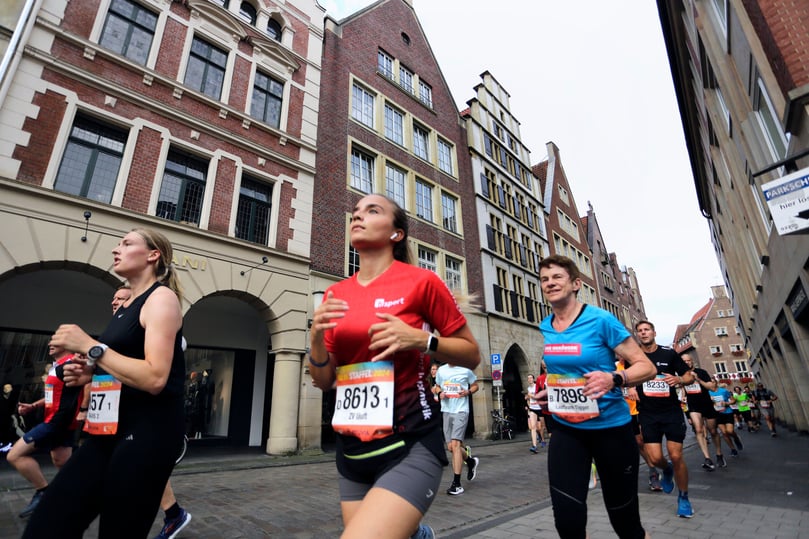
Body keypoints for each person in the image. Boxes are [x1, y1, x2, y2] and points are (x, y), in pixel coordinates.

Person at [308, 194, 480, 539]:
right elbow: (325, 380)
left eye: (372, 211)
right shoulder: (335, 294)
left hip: (410, 442)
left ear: (396, 233)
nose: (358, 217)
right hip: (352, 448)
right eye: (355, 212)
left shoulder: (421, 282)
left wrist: (422, 341)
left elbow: (471, 353)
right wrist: (314, 339)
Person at [23, 227, 187, 538]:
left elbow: (154, 377)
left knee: (119, 531)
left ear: (153, 255)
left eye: (126, 243)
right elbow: (123, 365)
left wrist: (90, 346)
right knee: (48, 522)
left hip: (148, 434)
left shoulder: (161, 299)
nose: (116, 249)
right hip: (106, 432)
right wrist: (90, 374)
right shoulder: (124, 306)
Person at [537, 255, 656, 538]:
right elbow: (567, 375)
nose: (550, 283)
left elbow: (646, 367)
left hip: (611, 430)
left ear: (576, 283)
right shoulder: (546, 326)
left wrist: (614, 378)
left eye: (557, 277)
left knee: (625, 523)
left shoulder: (600, 320)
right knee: (567, 523)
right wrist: (551, 394)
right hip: (567, 429)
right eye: (544, 279)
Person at [8, 344, 82, 518]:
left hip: (57, 422)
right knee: (63, 465)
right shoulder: (57, 366)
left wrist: (84, 409)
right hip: (59, 423)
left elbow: (86, 384)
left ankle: (43, 492)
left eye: (55, 342)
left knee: (14, 455)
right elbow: (53, 394)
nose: (49, 344)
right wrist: (32, 406)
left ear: (67, 345)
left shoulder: (71, 363)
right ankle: (78, 499)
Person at [635, 320, 696, 518]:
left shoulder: (668, 353)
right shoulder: (634, 356)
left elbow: (689, 376)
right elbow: (626, 376)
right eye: (640, 331)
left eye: (647, 330)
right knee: (654, 458)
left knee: (677, 455)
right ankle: (666, 469)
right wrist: (627, 387)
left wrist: (679, 379)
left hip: (670, 411)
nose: (644, 333)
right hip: (648, 413)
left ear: (654, 332)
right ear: (637, 335)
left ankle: (684, 498)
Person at [615, 357, 660, 491]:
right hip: (621, 411)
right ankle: (628, 475)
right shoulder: (614, 366)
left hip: (638, 410)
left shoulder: (637, 364)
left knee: (640, 441)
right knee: (627, 444)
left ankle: (654, 469)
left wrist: (632, 386)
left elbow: (647, 375)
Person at [436, 362, 480, 495]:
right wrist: (440, 394)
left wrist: (467, 392)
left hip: (461, 410)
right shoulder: (441, 370)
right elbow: (437, 387)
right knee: (450, 447)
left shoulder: (466, 369)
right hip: (446, 410)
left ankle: (457, 484)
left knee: (455, 445)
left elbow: (475, 386)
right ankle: (470, 461)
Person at [680, 353, 723, 472]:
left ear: (692, 361)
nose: (687, 363)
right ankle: (707, 458)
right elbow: (683, 389)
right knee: (698, 429)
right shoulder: (682, 375)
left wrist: (698, 379)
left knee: (713, 431)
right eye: (684, 361)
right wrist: (683, 398)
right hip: (693, 406)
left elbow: (712, 388)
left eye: (688, 360)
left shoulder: (701, 372)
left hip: (706, 404)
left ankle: (719, 453)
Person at [709, 383, 742, 462]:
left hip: (727, 412)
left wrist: (726, 403)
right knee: (724, 433)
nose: (712, 384)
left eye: (713, 382)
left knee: (729, 431)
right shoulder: (708, 393)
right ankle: (733, 449)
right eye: (710, 382)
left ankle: (736, 438)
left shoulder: (723, 391)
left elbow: (733, 400)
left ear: (716, 383)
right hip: (717, 414)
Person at [525, 373, 546, 452]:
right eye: (528, 378)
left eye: (531, 378)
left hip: (539, 408)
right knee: (533, 427)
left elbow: (541, 396)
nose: (529, 379)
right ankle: (534, 446)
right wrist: (529, 404)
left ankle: (542, 439)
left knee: (541, 427)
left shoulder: (537, 387)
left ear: (533, 379)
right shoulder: (528, 388)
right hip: (533, 408)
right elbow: (528, 398)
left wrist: (532, 396)